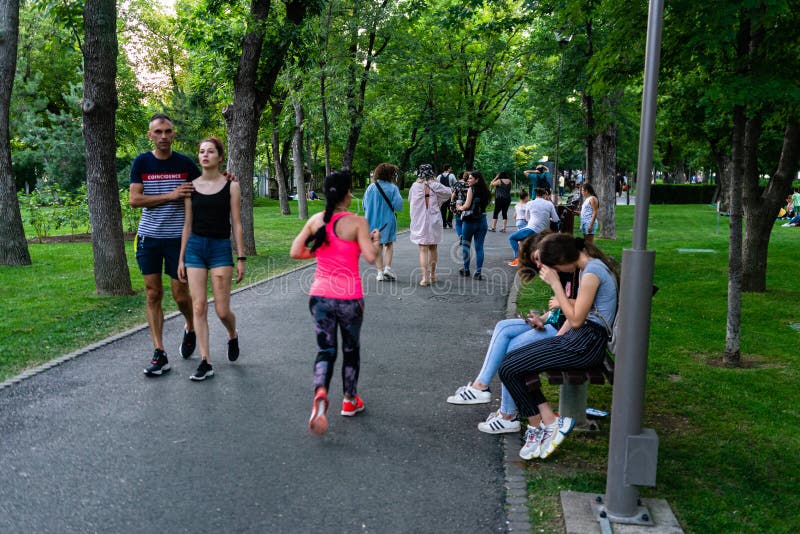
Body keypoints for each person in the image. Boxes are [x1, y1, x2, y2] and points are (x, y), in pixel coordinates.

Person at [499, 233, 618, 460]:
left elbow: (575, 319)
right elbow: (578, 319)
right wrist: (555, 337)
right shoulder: (590, 267)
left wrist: (556, 286)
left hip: (585, 345)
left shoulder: (592, 272)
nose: (558, 273)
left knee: (509, 368)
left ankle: (539, 428)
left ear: (563, 260)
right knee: (511, 362)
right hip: (580, 339)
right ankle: (548, 423)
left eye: (555, 268)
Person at [447, 233, 581, 435]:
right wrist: (542, 319)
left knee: (512, 350)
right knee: (503, 326)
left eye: (538, 259)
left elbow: (577, 311)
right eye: (536, 260)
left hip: (562, 333)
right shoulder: (563, 271)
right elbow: (561, 309)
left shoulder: (573, 271)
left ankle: (507, 415)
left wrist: (556, 337)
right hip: (554, 325)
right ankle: (480, 387)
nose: (539, 266)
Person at [289, 171, 381, 435]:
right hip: (349, 298)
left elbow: (295, 252)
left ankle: (320, 392)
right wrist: (373, 241)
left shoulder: (316, 220)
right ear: (345, 194)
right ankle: (350, 400)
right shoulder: (357, 223)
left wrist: (318, 252)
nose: (352, 195)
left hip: (319, 297)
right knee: (350, 350)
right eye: (350, 191)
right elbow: (371, 258)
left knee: (326, 351)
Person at [130, 113, 201, 377]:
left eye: (167, 131)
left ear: (173, 134)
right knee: (152, 294)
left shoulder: (185, 164)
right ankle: (159, 352)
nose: (163, 136)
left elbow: (204, 186)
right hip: (149, 238)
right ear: (150, 135)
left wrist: (226, 177)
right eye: (158, 132)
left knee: (180, 295)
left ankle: (190, 326)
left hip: (178, 240)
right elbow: (134, 200)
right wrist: (171, 195)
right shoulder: (142, 162)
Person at [177, 137, 244, 381]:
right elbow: (187, 224)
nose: (205, 155)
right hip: (195, 248)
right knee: (198, 305)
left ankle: (233, 334)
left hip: (220, 249)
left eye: (210, 151)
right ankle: (205, 361)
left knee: (222, 310)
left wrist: (241, 256)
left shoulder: (231, 186)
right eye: (202, 151)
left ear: (219, 157)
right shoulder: (190, 186)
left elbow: (237, 224)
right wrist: (181, 257)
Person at [409, 163, 451, 285]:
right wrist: (438, 201)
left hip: (420, 220)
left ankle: (424, 278)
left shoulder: (415, 186)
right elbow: (448, 192)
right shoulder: (436, 185)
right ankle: (432, 275)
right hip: (434, 219)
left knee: (422, 249)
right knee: (433, 247)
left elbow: (411, 201)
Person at [363, 163, 404, 281]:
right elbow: (399, 205)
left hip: (373, 221)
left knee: (378, 245)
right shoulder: (393, 188)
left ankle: (379, 272)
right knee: (389, 244)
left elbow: (364, 205)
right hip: (388, 221)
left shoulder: (370, 187)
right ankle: (388, 268)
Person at [507, 188, 559, 267]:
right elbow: (556, 219)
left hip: (532, 228)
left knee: (512, 238)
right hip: (545, 231)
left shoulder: (530, 203)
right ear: (545, 195)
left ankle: (518, 258)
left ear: (536, 195)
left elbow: (527, 218)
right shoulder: (549, 204)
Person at [455, 171, 490, 279]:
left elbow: (467, 205)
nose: (468, 180)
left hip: (469, 221)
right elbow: (486, 205)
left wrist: (459, 207)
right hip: (482, 220)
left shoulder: (472, 189)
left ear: (477, 180)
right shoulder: (486, 191)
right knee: (479, 248)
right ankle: (478, 272)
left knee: (466, 246)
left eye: (470, 178)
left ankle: (466, 269)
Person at [451, 171, 470, 242]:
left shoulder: (457, 184)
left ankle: (461, 235)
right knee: (465, 221)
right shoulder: (470, 184)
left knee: (458, 222)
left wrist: (451, 204)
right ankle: (464, 235)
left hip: (458, 204)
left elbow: (453, 194)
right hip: (468, 203)